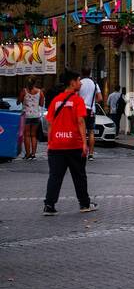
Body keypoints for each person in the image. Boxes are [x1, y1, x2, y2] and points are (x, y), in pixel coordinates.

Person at [43, 69, 97, 215]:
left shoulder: (55, 100)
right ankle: (84, 204)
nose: (80, 83)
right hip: (73, 144)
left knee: (55, 176)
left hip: (56, 145)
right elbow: (80, 121)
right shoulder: (77, 100)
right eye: (79, 80)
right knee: (79, 175)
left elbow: (50, 123)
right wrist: (85, 143)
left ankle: (49, 205)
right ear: (72, 83)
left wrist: (50, 142)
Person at [78, 67, 101, 160]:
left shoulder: (79, 83)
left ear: (82, 73)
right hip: (91, 110)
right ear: (90, 73)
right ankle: (91, 154)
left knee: (80, 131)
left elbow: (75, 96)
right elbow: (100, 98)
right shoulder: (95, 84)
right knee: (91, 131)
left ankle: (81, 151)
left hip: (81, 110)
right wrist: (93, 102)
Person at [18, 77, 44, 160]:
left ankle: (27, 154)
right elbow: (41, 104)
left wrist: (22, 100)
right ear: (35, 83)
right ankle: (33, 154)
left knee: (27, 135)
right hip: (36, 115)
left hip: (26, 115)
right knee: (34, 135)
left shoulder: (24, 91)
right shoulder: (40, 92)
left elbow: (18, 101)